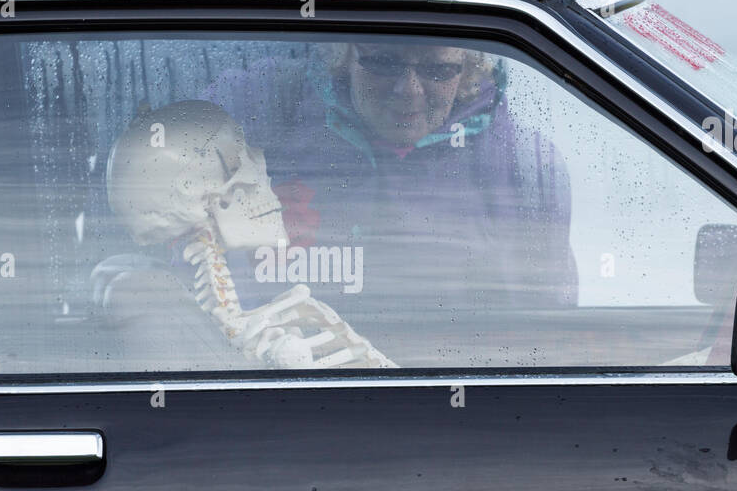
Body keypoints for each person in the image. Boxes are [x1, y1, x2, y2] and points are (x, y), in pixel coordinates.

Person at [196, 39, 577, 364]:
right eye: (383, 63)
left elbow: (547, 332)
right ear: (344, 56)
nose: (408, 90)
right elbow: (164, 176)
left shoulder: (521, 167)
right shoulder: (264, 101)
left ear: (470, 70)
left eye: (438, 71)